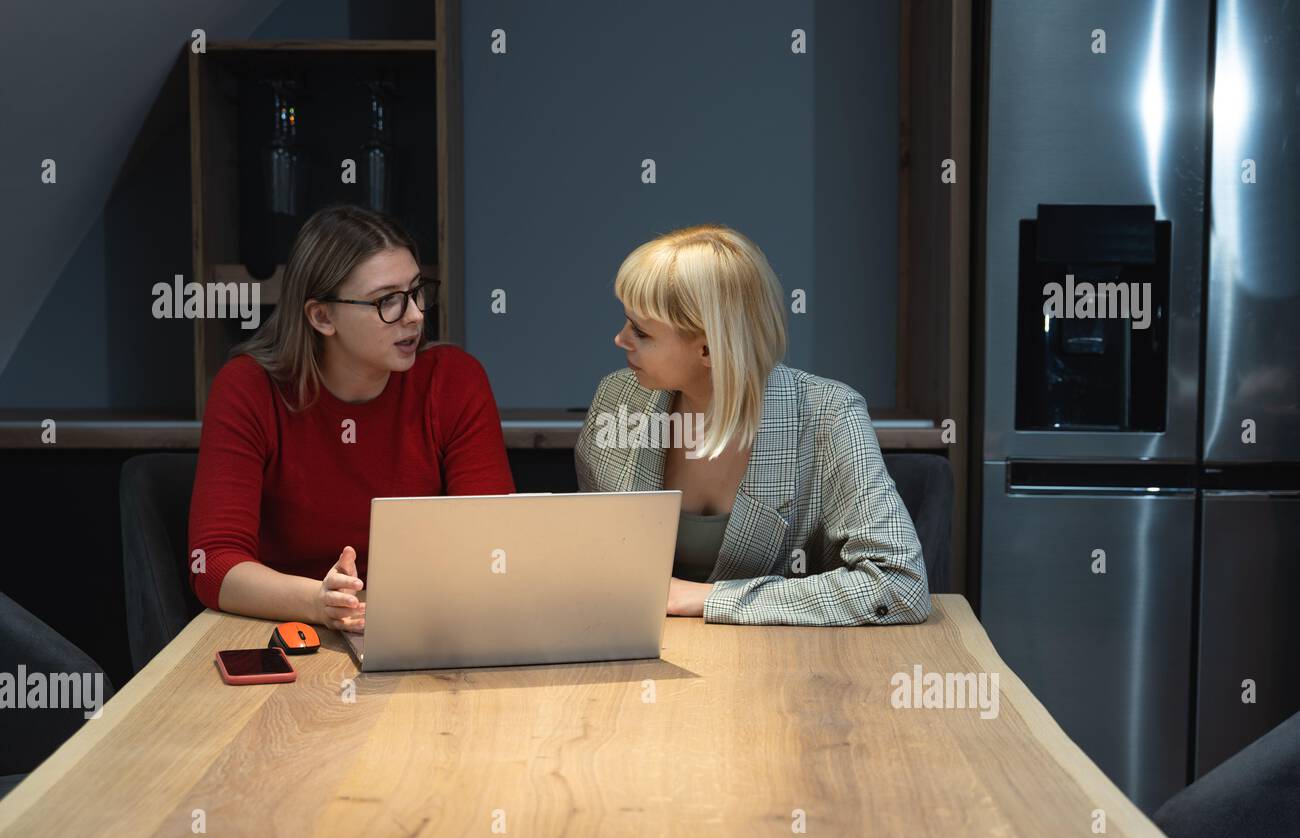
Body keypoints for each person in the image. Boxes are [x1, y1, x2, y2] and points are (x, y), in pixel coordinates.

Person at [575, 224, 930, 626]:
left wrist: (711, 599)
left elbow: (900, 587)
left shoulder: (830, 413)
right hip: (644, 654)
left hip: (795, 666)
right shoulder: (618, 400)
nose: (620, 339)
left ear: (709, 347)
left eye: (641, 330)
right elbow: (597, 562)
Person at [189, 205, 514, 634]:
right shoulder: (249, 388)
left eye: (417, 291)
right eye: (387, 301)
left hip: (419, 623)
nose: (415, 315)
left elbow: (494, 544)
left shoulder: (453, 380)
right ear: (322, 317)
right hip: (286, 628)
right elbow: (213, 565)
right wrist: (319, 602)